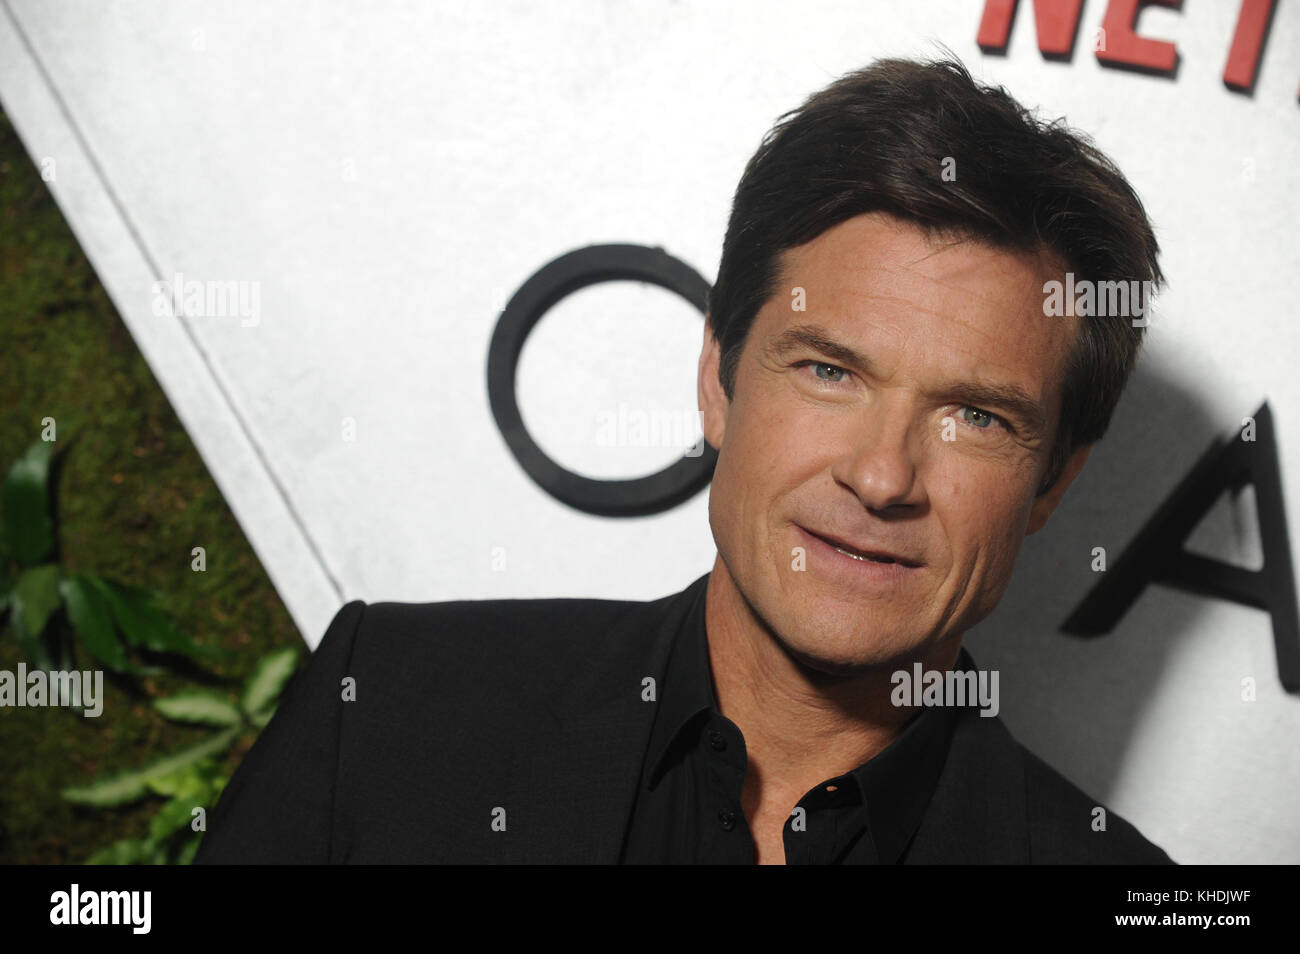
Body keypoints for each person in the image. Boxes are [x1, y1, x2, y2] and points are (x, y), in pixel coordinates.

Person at [196, 55, 1174, 864]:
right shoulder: (392, 710)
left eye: (975, 417)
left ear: (1054, 482)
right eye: (831, 372)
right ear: (717, 379)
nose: (881, 478)